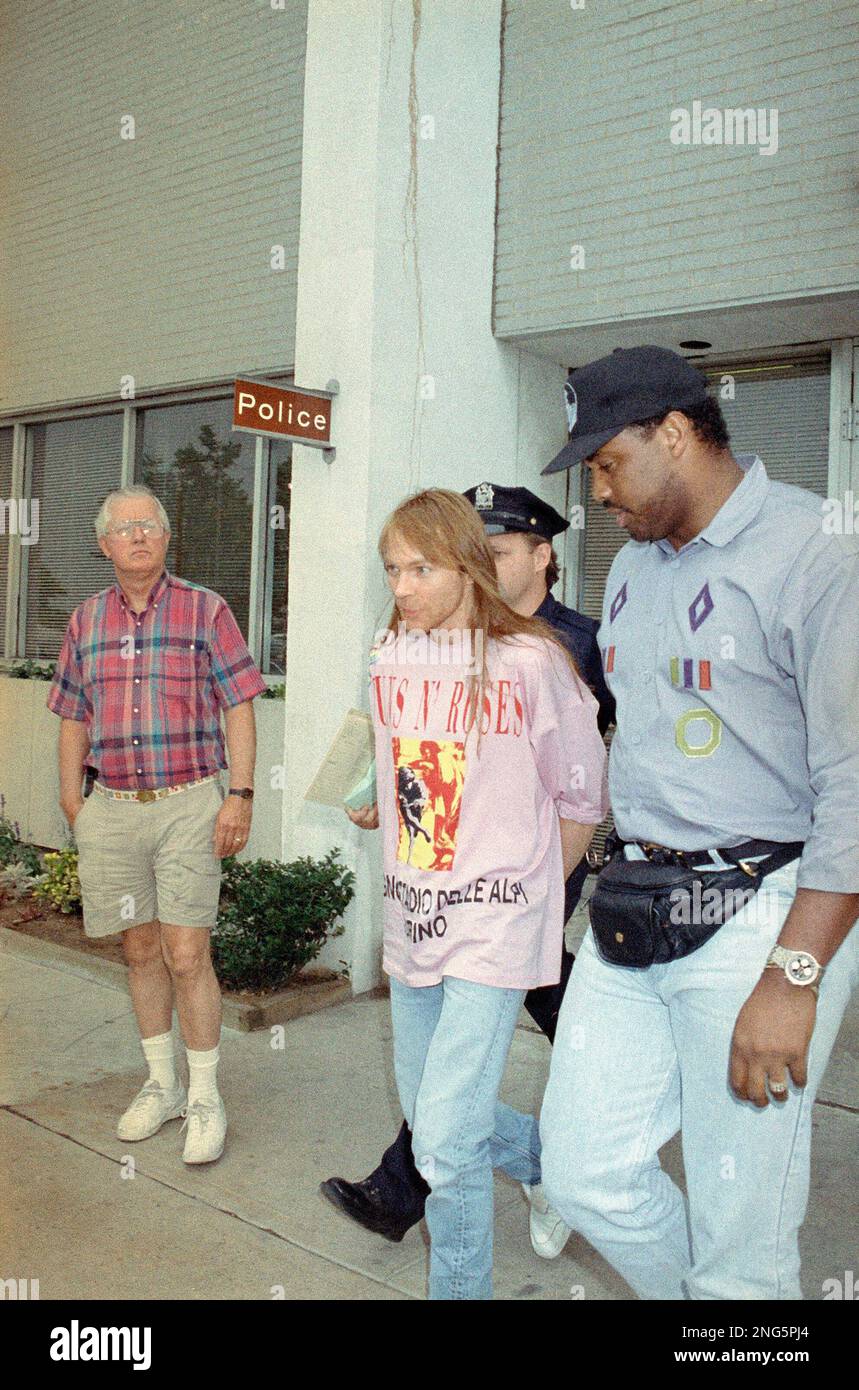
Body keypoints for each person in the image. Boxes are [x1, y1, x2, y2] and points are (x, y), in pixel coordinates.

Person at [538, 344, 859, 1298]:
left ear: (674, 435)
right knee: (583, 1172)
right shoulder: (634, 567)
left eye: (607, 464)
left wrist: (793, 976)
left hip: (762, 909)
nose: (598, 493)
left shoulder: (820, 552)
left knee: (741, 1232)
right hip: (634, 897)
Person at [321, 483, 614, 1247]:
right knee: (433, 1119)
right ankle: (555, 1165)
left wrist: (535, 896)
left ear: (467, 567)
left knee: (445, 1147)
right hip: (415, 914)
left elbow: (581, 792)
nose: (401, 587)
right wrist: (381, 798)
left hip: (496, 920)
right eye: (391, 570)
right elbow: (428, 775)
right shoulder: (393, 655)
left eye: (420, 569)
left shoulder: (537, 657)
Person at [47, 484, 267, 1165]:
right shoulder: (86, 622)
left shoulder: (206, 611)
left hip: (187, 807)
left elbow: (238, 706)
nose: (138, 535)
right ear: (104, 544)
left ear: (167, 539)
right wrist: (72, 803)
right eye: (124, 527)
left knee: (185, 955)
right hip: (111, 809)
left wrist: (240, 795)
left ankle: (205, 1096)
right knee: (139, 953)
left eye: (150, 525)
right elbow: (73, 717)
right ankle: (162, 1084)